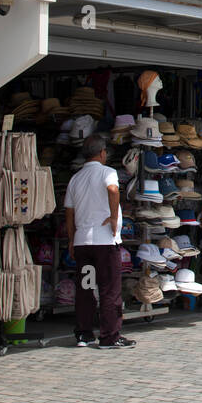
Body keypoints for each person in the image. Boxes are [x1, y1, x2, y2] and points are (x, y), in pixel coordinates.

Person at [65, 134, 133, 348]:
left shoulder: (75, 178)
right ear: (102, 153)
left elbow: (69, 212)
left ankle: (84, 334)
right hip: (104, 241)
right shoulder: (108, 172)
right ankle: (109, 336)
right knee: (109, 289)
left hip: (82, 242)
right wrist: (114, 217)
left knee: (85, 288)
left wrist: (71, 239)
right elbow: (113, 189)